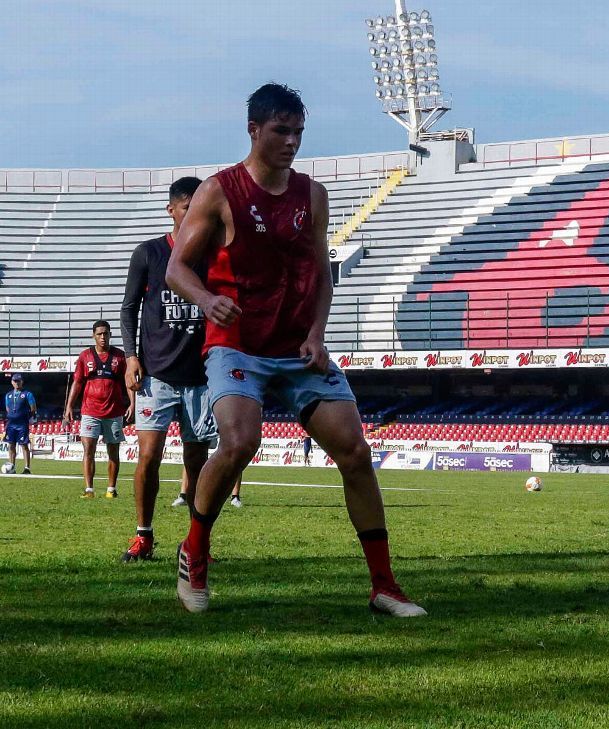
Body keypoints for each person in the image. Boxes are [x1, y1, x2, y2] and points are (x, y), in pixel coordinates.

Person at [166, 83, 424, 616]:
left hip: (299, 348)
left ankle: (383, 585)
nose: (292, 141)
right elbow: (176, 270)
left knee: (355, 451)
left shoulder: (313, 195)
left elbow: (322, 273)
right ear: (254, 130)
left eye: (299, 131)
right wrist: (208, 298)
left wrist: (317, 334)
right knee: (239, 443)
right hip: (237, 346)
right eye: (281, 130)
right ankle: (194, 551)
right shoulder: (220, 191)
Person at [120, 176, 217, 562]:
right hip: (156, 374)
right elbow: (129, 308)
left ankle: (195, 541)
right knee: (149, 457)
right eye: (187, 206)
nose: (194, 213)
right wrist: (130, 356)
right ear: (172, 209)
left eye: (199, 206)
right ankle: (144, 535)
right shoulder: (149, 253)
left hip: (201, 377)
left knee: (198, 462)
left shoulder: (214, 254)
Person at [64, 321, 131, 499]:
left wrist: (133, 403)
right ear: (93, 335)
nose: (103, 337)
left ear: (110, 335)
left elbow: (128, 381)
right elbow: (77, 382)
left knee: (113, 452)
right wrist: (69, 406)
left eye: (106, 333)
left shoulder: (120, 356)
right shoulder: (85, 356)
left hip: (114, 412)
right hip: (90, 411)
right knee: (88, 450)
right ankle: (89, 490)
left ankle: (111, 489)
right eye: (100, 334)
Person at [5, 373, 37, 474]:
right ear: (12, 382)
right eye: (15, 381)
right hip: (11, 424)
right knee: (11, 445)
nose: (17, 383)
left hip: (22, 424)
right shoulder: (8, 395)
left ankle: (27, 468)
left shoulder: (27, 394)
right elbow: (7, 408)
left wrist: (27, 417)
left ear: (22, 382)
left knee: (24, 445)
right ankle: (12, 467)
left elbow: (33, 408)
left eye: (18, 381)